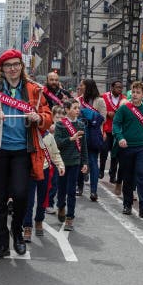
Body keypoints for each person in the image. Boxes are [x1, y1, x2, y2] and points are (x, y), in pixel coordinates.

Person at [0, 49, 52, 260]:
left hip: (23, 151)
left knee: (21, 194)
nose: (12, 69)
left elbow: (48, 116)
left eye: (16, 64)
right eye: (8, 65)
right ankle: (2, 243)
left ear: (21, 67)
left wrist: (39, 118)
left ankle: (17, 233)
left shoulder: (34, 89)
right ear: (2, 69)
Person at [112, 81, 143, 220]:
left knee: (142, 175)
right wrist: (120, 137)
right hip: (126, 147)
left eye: (138, 92)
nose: (135, 94)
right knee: (128, 176)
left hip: (142, 147)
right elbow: (116, 124)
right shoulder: (124, 108)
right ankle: (127, 204)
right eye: (133, 92)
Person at [23, 105, 65, 242]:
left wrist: (60, 165)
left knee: (42, 198)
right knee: (29, 200)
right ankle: (27, 226)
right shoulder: (26, 135)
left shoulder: (49, 136)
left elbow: (55, 153)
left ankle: (39, 220)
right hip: (30, 171)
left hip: (45, 170)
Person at [54, 99, 88, 231]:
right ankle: (61, 206)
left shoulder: (81, 125)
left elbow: (84, 145)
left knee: (71, 190)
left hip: (75, 161)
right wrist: (71, 139)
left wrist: (85, 162)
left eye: (78, 108)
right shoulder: (60, 124)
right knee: (61, 189)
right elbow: (57, 142)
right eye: (74, 108)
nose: (77, 110)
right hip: (62, 162)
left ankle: (70, 218)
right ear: (67, 110)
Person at [76, 78, 106, 200]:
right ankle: (79, 187)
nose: (80, 87)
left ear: (88, 86)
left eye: (82, 85)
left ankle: (94, 191)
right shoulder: (78, 100)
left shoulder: (100, 101)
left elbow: (103, 118)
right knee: (80, 161)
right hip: (80, 133)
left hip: (94, 135)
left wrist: (88, 114)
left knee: (93, 162)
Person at [100, 80, 125, 194]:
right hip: (107, 128)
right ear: (111, 87)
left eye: (121, 87)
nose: (119, 89)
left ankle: (112, 175)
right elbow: (99, 111)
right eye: (117, 87)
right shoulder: (104, 97)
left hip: (117, 130)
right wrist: (107, 113)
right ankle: (101, 170)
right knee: (104, 150)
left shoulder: (124, 99)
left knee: (115, 154)